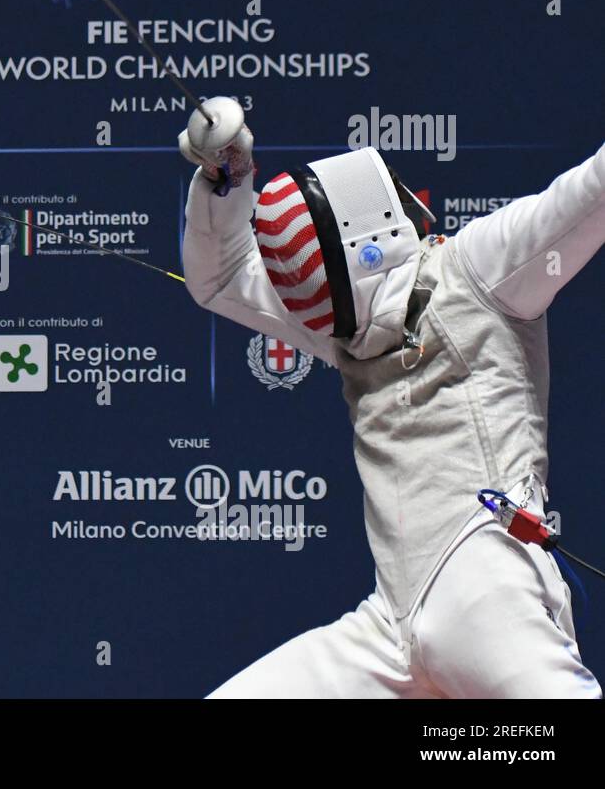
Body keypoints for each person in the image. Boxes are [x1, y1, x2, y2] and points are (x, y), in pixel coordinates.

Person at [178, 96, 602, 698]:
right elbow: (224, 279)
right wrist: (227, 179)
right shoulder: (342, 318)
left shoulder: (472, 277)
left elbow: (591, 193)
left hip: (485, 588)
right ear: (378, 225)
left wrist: (230, 182)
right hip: (387, 625)